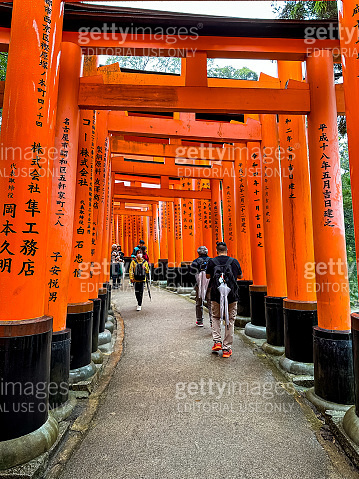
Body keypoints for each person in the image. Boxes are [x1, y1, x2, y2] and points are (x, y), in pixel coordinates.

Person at [206, 242, 243, 358]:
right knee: (230, 319)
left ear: (217, 250)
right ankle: (226, 349)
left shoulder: (212, 262)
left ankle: (217, 342)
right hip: (231, 295)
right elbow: (241, 276)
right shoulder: (234, 261)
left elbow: (207, 276)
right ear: (227, 250)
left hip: (216, 294)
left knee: (216, 317)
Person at [190, 246, 212, 327]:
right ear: (207, 252)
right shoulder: (211, 261)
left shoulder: (195, 262)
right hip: (210, 285)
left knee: (199, 302)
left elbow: (192, 273)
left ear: (198, 253)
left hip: (198, 285)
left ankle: (199, 321)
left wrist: (195, 285)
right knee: (210, 303)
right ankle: (212, 321)